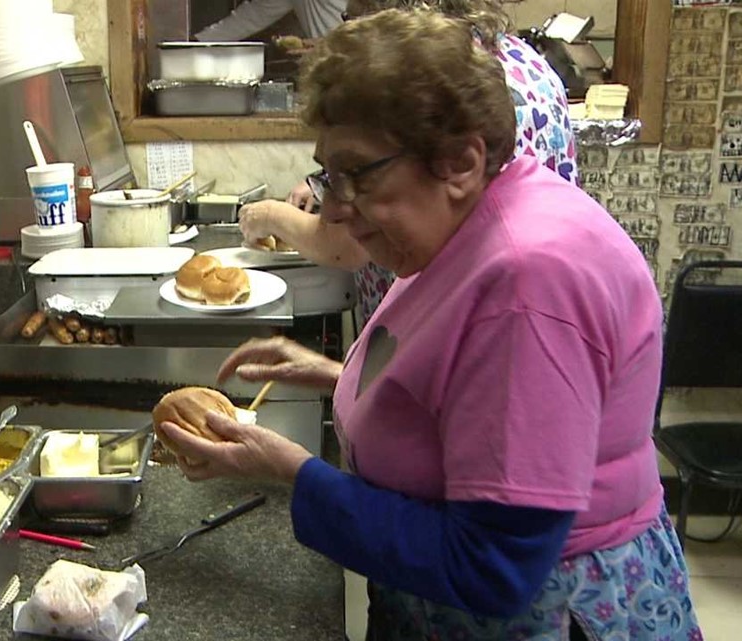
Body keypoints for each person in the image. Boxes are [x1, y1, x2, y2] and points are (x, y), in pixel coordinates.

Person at [157, 9, 700, 640]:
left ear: (460, 161)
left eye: (356, 174)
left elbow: (493, 566)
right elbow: (478, 393)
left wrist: (290, 471)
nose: (333, 208)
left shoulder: (527, 281)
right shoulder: (464, 224)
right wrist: (338, 375)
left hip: (550, 617)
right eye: (328, 175)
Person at [239, 0, 577, 327]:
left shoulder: (514, 311)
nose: (331, 212)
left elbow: (345, 247)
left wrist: (269, 215)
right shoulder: (526, 61)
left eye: (354, 17)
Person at [194, 0, 348, 42]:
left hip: (363, 66)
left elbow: (371, 25)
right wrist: (198, 41)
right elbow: (253, 16)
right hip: (330, 74)